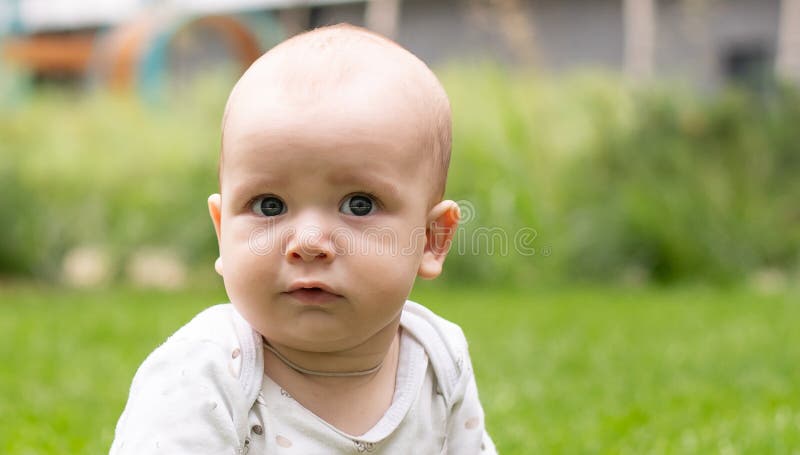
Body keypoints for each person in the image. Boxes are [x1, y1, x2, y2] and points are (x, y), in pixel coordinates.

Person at [111, 23, 496, 454]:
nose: (309, 242)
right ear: (222, 233)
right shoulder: (207, 374)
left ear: (430, 240)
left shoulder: (439, 359)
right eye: (269, 206)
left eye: (359, 205)